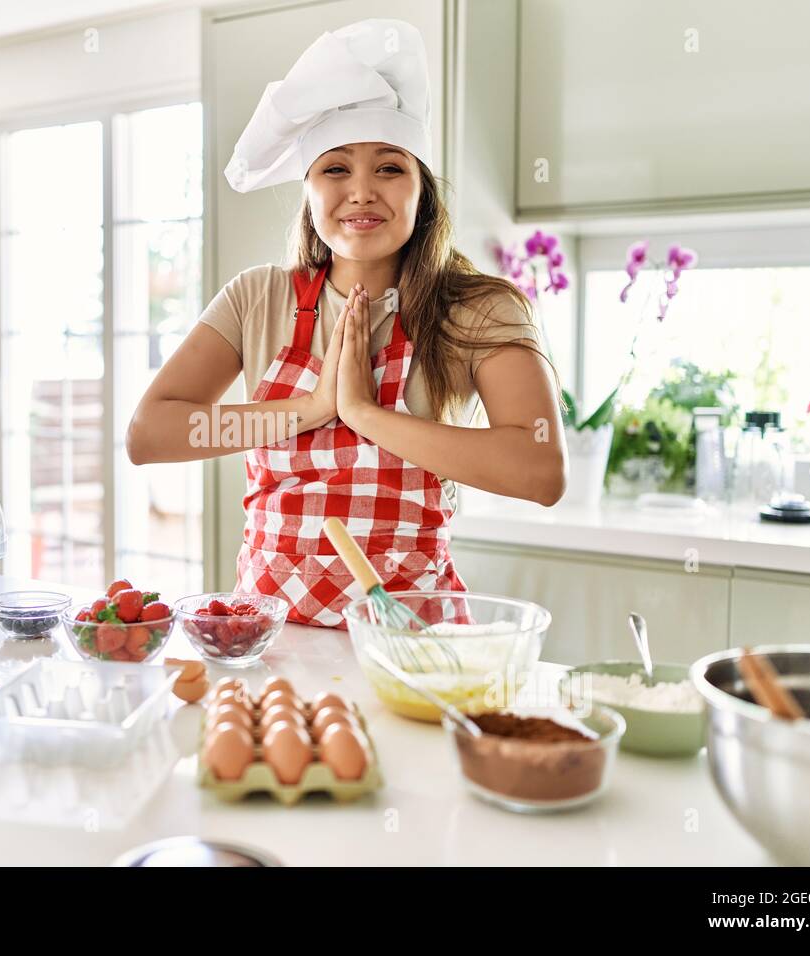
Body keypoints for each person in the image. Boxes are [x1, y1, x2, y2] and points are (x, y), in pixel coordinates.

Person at [127, 19, 566, 627]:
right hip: (269, 638)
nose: (361, 193)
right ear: (308, 189)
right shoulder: (257, 298)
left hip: (412, 643)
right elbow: (150, 435)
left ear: (423, 191)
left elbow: (541, 472)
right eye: (335, 169)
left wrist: (365, 415)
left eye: (389, 168)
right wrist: (311, 409)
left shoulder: (480, 308)